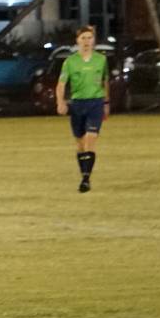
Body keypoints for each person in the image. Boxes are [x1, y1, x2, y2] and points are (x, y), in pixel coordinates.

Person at [55, 25, 109, 193]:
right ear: (77, 41)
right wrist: (61, 102)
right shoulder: (70, 62)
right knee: (80, 143)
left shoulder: (101, 60)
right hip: (78, 105)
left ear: (94, 41)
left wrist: (106, 103)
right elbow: (61, 84)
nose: (86, 41)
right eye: (83, 38)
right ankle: (84, 172)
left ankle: (86, 178)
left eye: (89, 38)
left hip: (95, 104)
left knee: (90, 140)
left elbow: (105, 82)